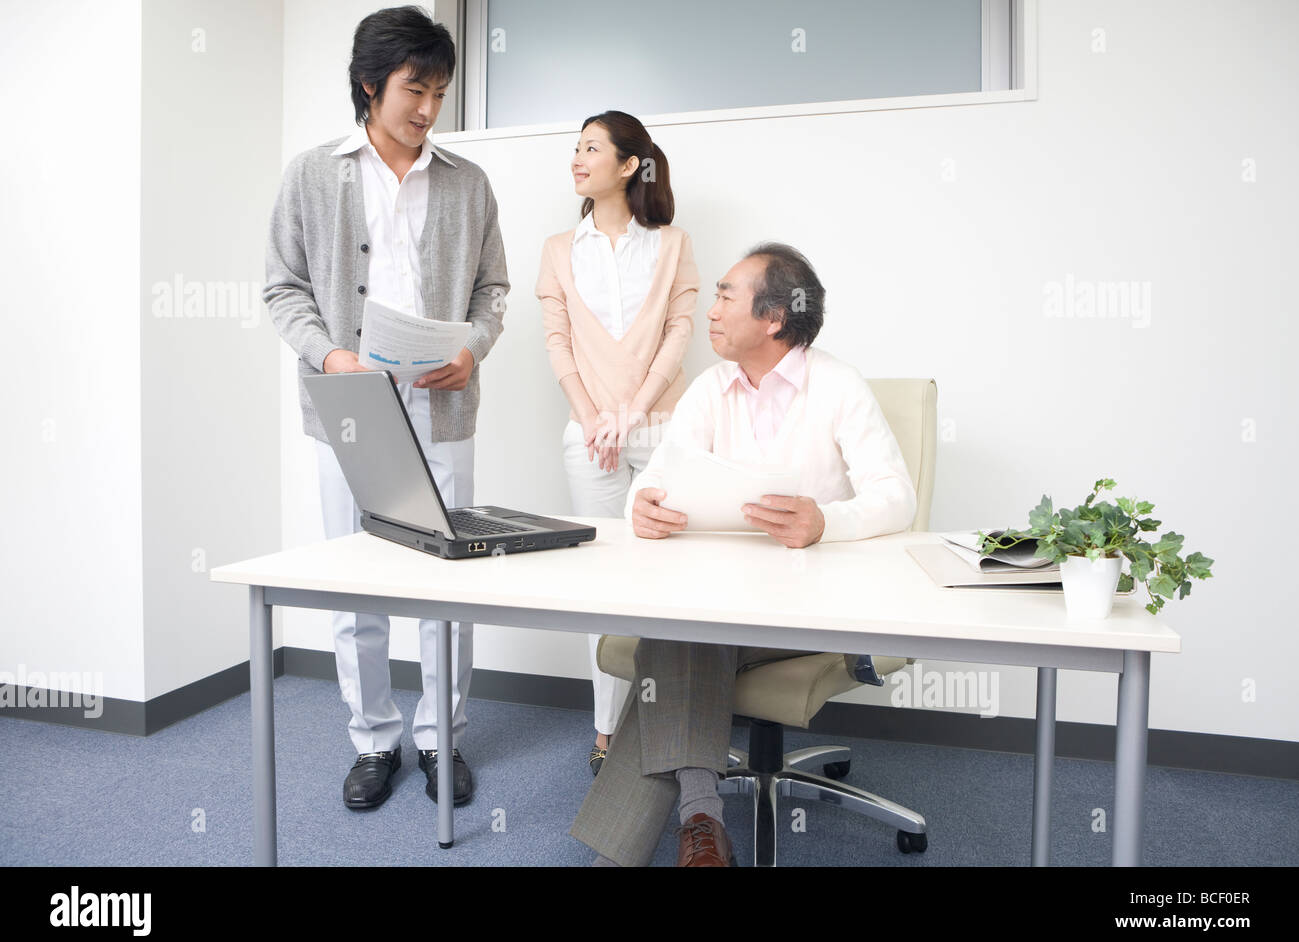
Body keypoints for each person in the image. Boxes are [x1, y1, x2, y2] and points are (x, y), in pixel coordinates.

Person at [568, 243, 917, 866]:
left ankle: (654, 839)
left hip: (810, 610)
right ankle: (702, 830)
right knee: (687, 625)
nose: (712, 308)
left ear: (774, 317)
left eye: (727, 294)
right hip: (719, 599)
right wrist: (641, 506)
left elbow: (898, 498)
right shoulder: (710, 389)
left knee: (675, 636)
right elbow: (658, 484)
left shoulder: (837, 386)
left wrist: (824, 522)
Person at [263, 6, 508, 811]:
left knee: (451, 584)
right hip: (352, 407)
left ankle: (442, 740)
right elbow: (284, 289)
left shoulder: (468, 183)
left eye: (440, 90)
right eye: (415, 88)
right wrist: (333, 357)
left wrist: (471, 346)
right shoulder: (309, 174)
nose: (429, 107)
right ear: (371, 85)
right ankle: (373, 741)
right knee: (354, 580)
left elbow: (492, 290)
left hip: (443, 408)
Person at [535, 111, 699, 775]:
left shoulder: (671, 244)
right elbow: (558, 342)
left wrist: (628, 413)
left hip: (659, 430)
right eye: (575, 148)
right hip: (589, 438)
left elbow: (681, 334)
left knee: (664, 576)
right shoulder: (557, 250)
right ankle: (607, 731)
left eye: (592, 148)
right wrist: (594, 417)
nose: (577, 158)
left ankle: (670, 722)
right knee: (601, 583)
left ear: (630, 165)